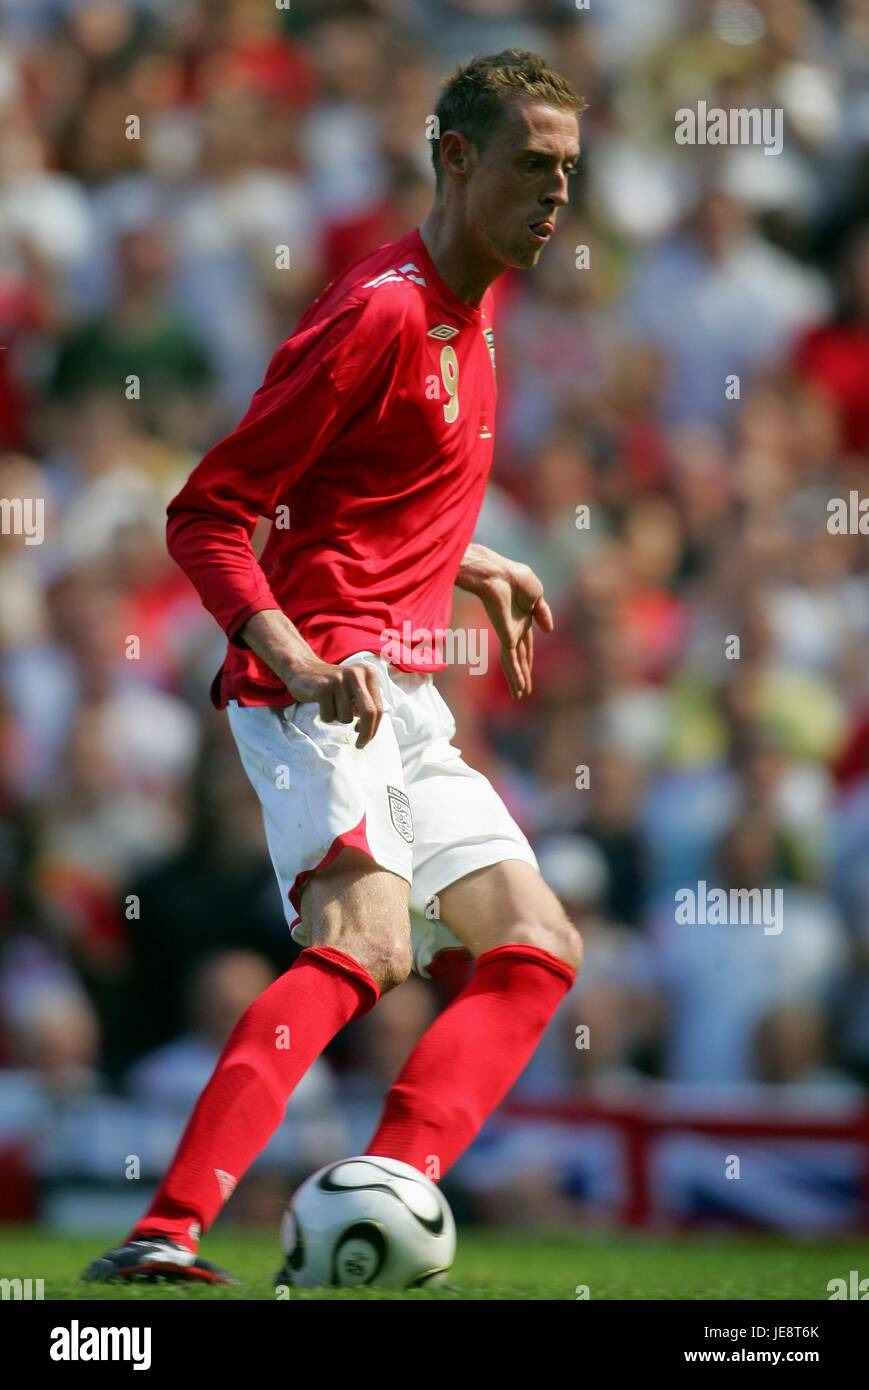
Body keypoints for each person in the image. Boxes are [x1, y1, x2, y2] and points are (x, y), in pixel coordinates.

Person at [84, 49, 586, 1285]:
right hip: (318, 689)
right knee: (368, 943)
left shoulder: (476, 304)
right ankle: (166, 1231)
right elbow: (209, 512)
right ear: (455, 158)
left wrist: (466, 558)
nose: (556, 194)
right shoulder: (379, 312)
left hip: (400, 686)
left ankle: (392, 1186)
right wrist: (299, 659)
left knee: (534, 945)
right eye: (533, 164)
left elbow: (357, 493)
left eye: (568, 171)